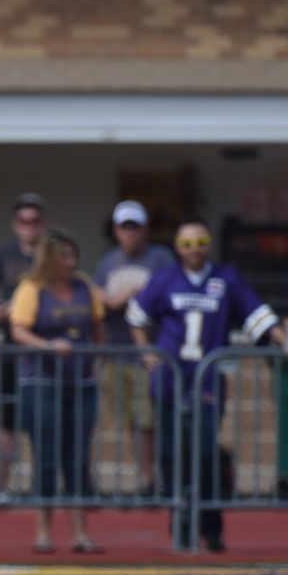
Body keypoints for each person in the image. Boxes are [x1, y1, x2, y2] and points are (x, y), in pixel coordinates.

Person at [127, 220, 288, 552]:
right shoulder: (166, 280)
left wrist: (286, 341)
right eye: (187, 244)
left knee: (204, 455)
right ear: (176, 246)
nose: (194, 249)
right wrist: (145, 350)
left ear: (209, 243)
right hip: (170, 380)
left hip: (207, 383)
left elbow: (258, 315)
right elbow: (136, 317)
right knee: (173, 457)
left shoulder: (225, 278)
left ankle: (211, 526)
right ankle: (181, 525)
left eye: (200, 241)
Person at [7, 228, 104, 554]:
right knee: (46, 457)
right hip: (42, 384)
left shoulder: (84, 286)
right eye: (64, 256)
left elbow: (98, 324)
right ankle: (44, 531)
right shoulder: (32, 288)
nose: (71, 262)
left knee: (78, 457)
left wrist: (96, 359)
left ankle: (80, 533)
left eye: (73, 256)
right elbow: (18, 329)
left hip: (81, 383)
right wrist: (48, 345)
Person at [93, 200, 176, 498]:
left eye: (135, 227)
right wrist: (117, 297)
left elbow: (166, 293)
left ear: (145, 230)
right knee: (129, 419)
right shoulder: (109, 260)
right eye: (124, 227)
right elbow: (97, 293)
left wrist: (131, 296)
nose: (130, 233)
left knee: (148, 418)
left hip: (150, 353)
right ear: (116, 231)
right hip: (118, 351)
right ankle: (144, 477)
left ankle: (154, 477)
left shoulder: (161, 258)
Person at [0, 193, 46, 502]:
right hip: (12, 349)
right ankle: (2, 486)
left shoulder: (49, 254)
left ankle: (44, 485)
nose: (29, 227)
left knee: (44, 421)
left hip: (41, 348)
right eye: (23, 221)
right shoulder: (4, 254)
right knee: (8, 421)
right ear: (15, 224)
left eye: (34, 221)